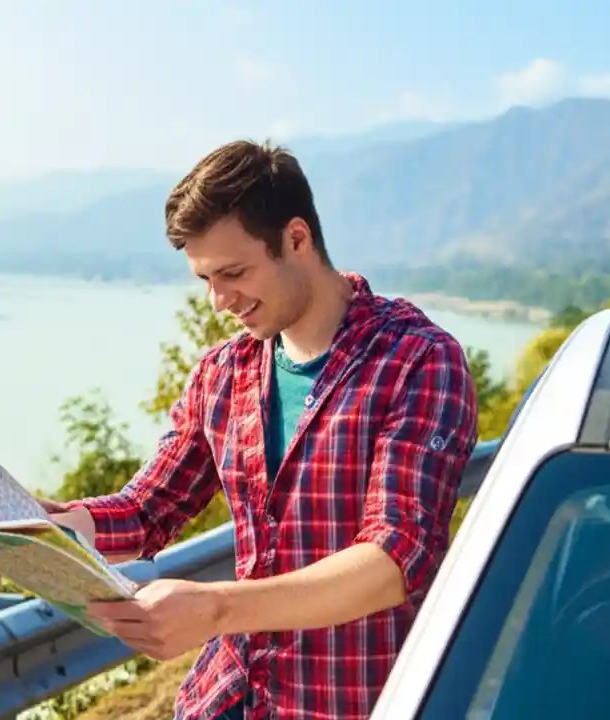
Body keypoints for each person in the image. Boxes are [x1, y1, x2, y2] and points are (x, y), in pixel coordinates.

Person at [40, 139, 478, 720]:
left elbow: (394, 559)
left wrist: (217, 610)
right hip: (230, 699)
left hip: (357, 702)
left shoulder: (417, 360)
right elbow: (148, 509)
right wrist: (61, 527)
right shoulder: (221, 374)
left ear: (297, 239)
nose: (220, 300)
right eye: (205, 279)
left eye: (234, 273)